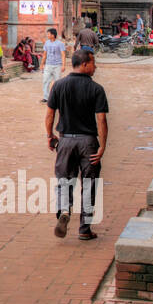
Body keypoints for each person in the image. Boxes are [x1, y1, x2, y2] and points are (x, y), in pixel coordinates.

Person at [45, 47, 108, 241]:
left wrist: (49, 135)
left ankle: (64, 210)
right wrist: (102, 146)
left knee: (64, 180)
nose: (95, 67)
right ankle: (84, 228)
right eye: (93, 63)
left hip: (65, 140)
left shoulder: (58, 85)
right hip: (88, 142)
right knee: (89, 184)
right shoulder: (96, 89)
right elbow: (101, 120)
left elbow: (49, 114)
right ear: (84, 64)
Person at [40, 27, 66, 104]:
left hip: (57, 65)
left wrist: (63, 65)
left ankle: (57, 98)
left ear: (53, 35)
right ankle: (46, 97)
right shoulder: (47, 43)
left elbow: (63, 55)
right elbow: (44, 54)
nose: (47, 35)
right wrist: (42, 64)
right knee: (45, 81)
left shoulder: (60, 44)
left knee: (57, 82)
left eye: (48, 33)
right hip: (48, 65)